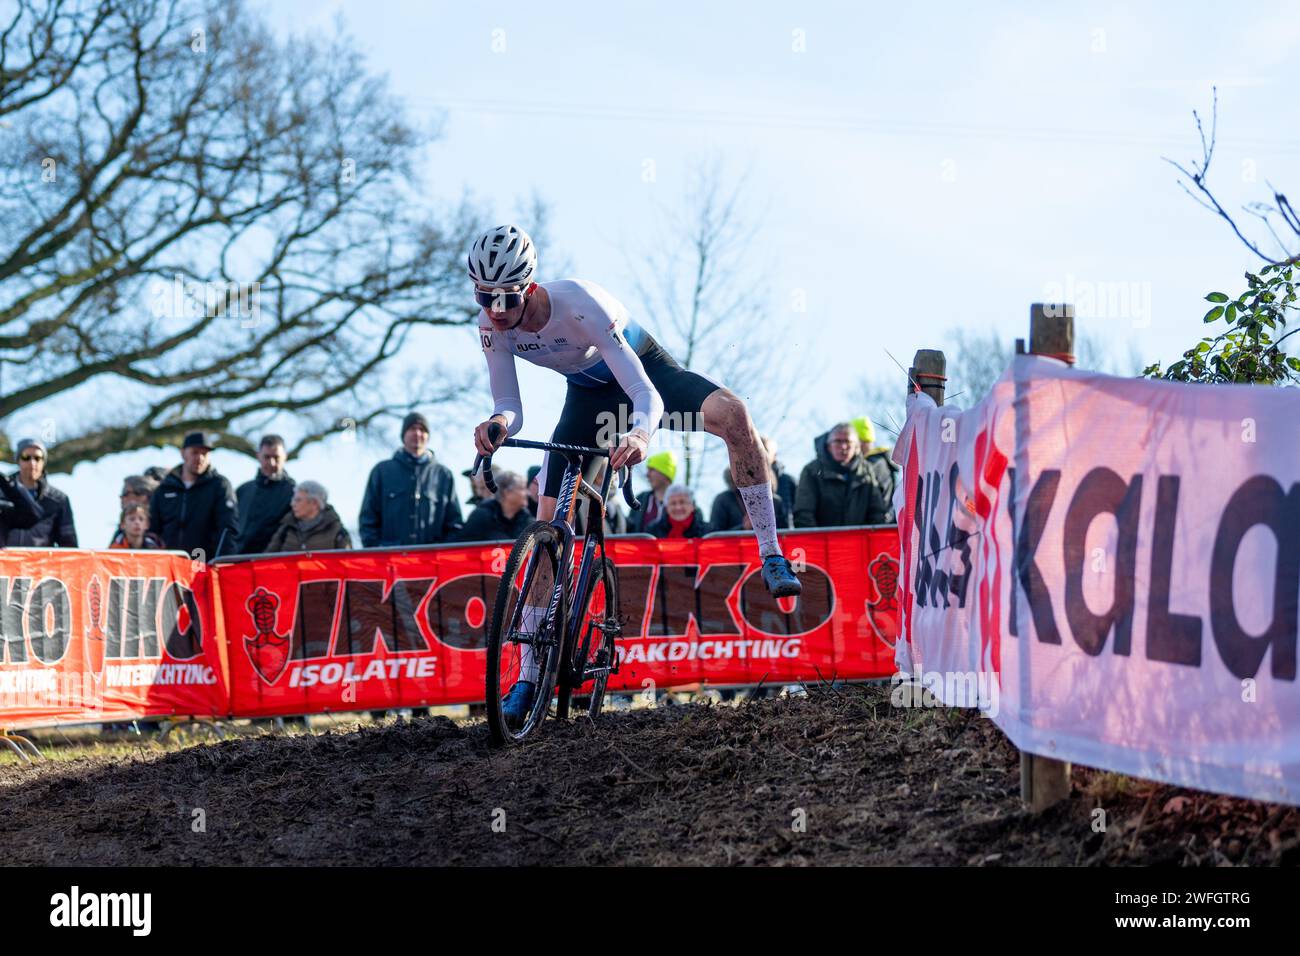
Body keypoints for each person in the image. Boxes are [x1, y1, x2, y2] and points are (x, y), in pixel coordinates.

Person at [466, 224, 800, 724]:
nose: (495, 309)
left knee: (735, 417)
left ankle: (771, 553)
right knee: (546, 530)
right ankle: (528, 676)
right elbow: (510, 404)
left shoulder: (580, 304)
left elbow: (646, 396)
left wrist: (641, 435)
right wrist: (497, 423)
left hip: (646, 379)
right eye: (483, 295)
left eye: (506, 298)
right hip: (587, 400)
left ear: (530, 287)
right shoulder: (492, 326)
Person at [359, 412, 463, 547]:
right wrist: (379, 552)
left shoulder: (443, 475)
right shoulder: (381, 472)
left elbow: (455, 524)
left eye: (422, 430)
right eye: (412, 428)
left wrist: (442, 553)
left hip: (432, 563)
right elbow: (368, 521)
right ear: (403, 435)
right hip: (391, 562)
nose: (418, 433)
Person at [149, 432, 240, 559]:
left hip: (204, 564)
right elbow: (152, 529)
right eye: (195, 452)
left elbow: (228, 528)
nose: (200, 458)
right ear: (183, 453)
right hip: (168, 566)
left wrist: (223, 561)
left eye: (205, 453)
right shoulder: (164, 488)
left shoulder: (220, 485)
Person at [793, 422, 892, 528]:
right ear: (828, 445)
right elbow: (804, 513)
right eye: (838, 441)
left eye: (848, 442)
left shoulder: (866, 471)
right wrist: (816, 541)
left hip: (859, 541)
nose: (843, 446)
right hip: (822, 541)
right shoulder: (812, 471)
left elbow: (877, 512)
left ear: (856, 446)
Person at [5, 438, 77, 547]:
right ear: (18, 460)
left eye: (38, 458)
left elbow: (69, 547)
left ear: (44, 462)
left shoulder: (59, 500)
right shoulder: (2, 493)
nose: (32, 463)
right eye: (26, 457)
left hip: (40, 563)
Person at [234, 435, 296, 555]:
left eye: (276, 458)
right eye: (267, 457)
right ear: (258, 456)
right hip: (236, 559)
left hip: (271, 562)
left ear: (285, 457)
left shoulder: (294, 493)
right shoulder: (243, 490)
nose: (271, 463)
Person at [266, 481, 352, 552]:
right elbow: (267, 560)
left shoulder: (337, 531)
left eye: (298, 500)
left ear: (314, 503)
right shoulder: (286, 528)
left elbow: (346, 564)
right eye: (293, 500)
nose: (292, 504)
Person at [455, 469, 533, 543]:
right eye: (522, 488)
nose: (528, 493)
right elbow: (462, 550)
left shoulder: (528, 521)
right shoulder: (480, 517)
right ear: (506, 492)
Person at [710, 467, 792, 531]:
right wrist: (744, 528)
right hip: (735, 551)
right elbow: (714, 535)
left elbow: (786, 533)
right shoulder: (723, 500)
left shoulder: (775, 501)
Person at [852, 416, 899, 516]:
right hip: (885, 521)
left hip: (872, 526)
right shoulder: (883, 462)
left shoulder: (870, 465)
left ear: (859, 442)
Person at [628, 450, 676, 533]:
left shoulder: (684, 501)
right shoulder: (639, 500)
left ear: (665, 473)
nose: (647, 475)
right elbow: (630, 529)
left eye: (652, 470)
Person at [108, 475, 161, 546]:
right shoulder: (119, 538)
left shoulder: (158, 530)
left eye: (125, 494)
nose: (122, 499)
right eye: (132, 519)